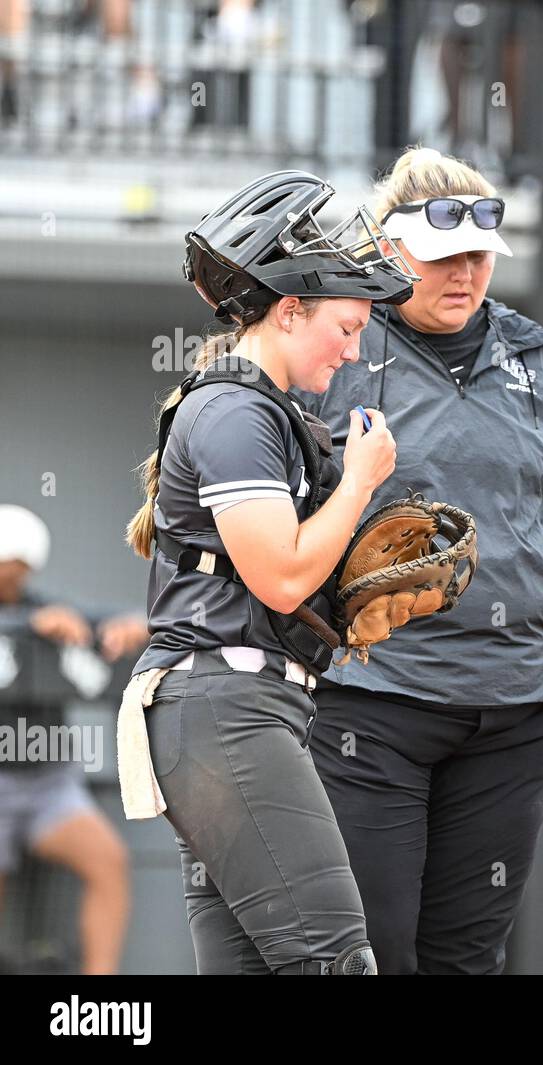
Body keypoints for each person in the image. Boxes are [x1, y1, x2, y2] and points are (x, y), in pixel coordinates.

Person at [290, 146, 543, 975]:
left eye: (481, 257)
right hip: (372, 703)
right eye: (446, 257)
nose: (467, 273)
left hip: (512, 707)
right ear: (388, 249)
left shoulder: (538, 358)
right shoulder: (336, 351)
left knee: (470, 957)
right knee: (368, 952)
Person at [120, 170, 419, 974]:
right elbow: (282, 579)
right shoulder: (235, 410)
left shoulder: (265, 410)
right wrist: (359, 481)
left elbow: (289, 588)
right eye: (348, 325)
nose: (356, 347)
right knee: (335, 959)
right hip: (224, 708)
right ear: (289, 309)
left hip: (239, 706)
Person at [0, 504, 146, 974]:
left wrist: (130, 627)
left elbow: (121, 623)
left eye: (18, 573)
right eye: (5, 570)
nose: (10, 581)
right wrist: (27, 630)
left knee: (108, 862)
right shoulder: (31, 618)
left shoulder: (42, 605)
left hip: (48, 784)